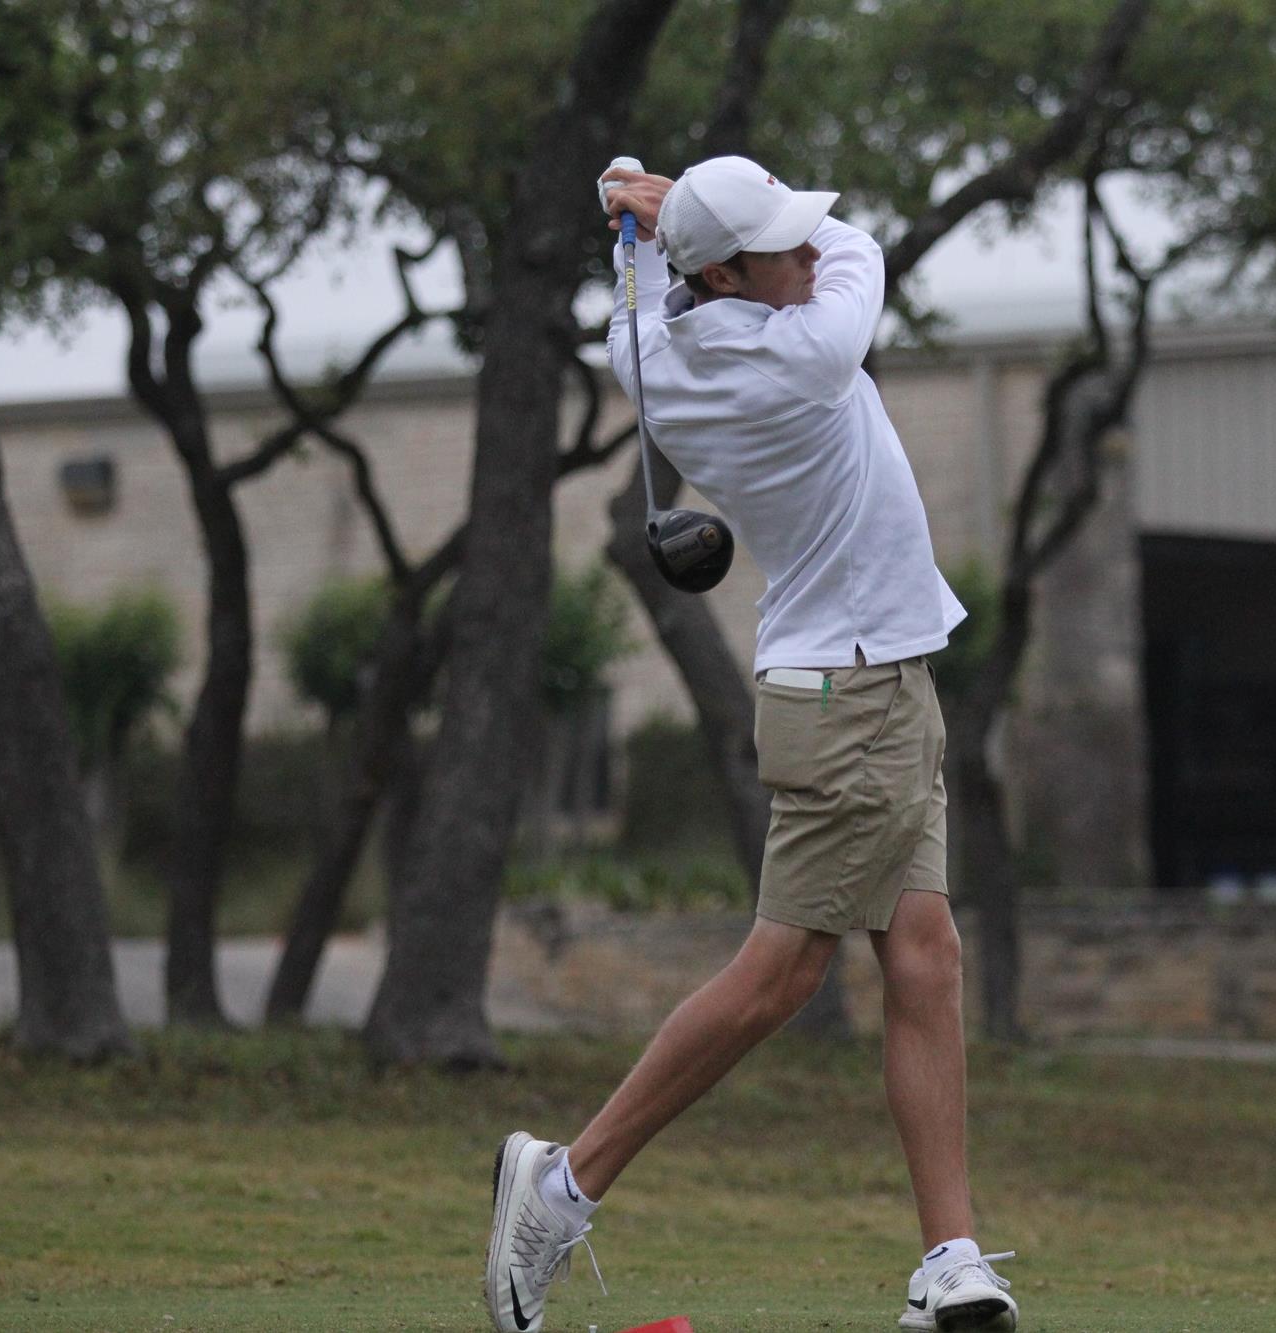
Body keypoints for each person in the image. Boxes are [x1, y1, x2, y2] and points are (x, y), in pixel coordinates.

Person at [483, 155, 1017, 1333]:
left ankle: (952, 1258)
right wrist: (665, 197)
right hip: (850, 695)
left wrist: (652, 222)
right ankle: (563, 1184)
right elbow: (858, 255)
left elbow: (655, 301)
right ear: (727, 271)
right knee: (779, 976)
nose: (804, 251)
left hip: (872, 675)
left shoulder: (655, 345)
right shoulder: (797, 351)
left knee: (924, 957)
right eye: (777, 243)